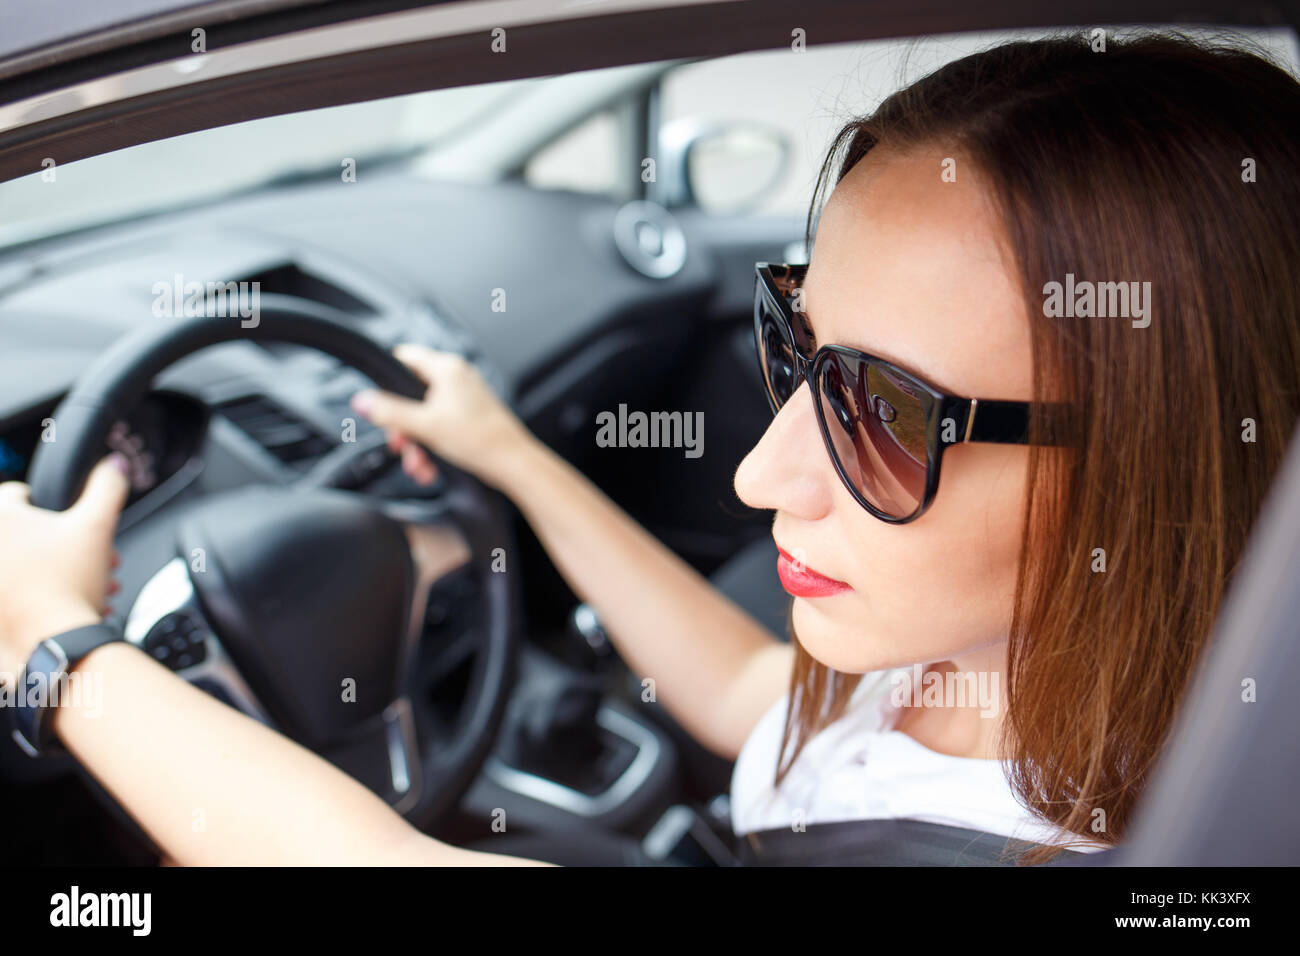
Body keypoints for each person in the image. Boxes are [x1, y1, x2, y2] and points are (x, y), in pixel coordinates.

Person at [1, 32, 1297, 866]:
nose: (761, 472)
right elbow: (753, 704)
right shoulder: (990, 666)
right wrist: (510, 455)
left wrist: (56, 645)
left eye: (884, 413)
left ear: (1157, 470)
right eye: (800, 350)